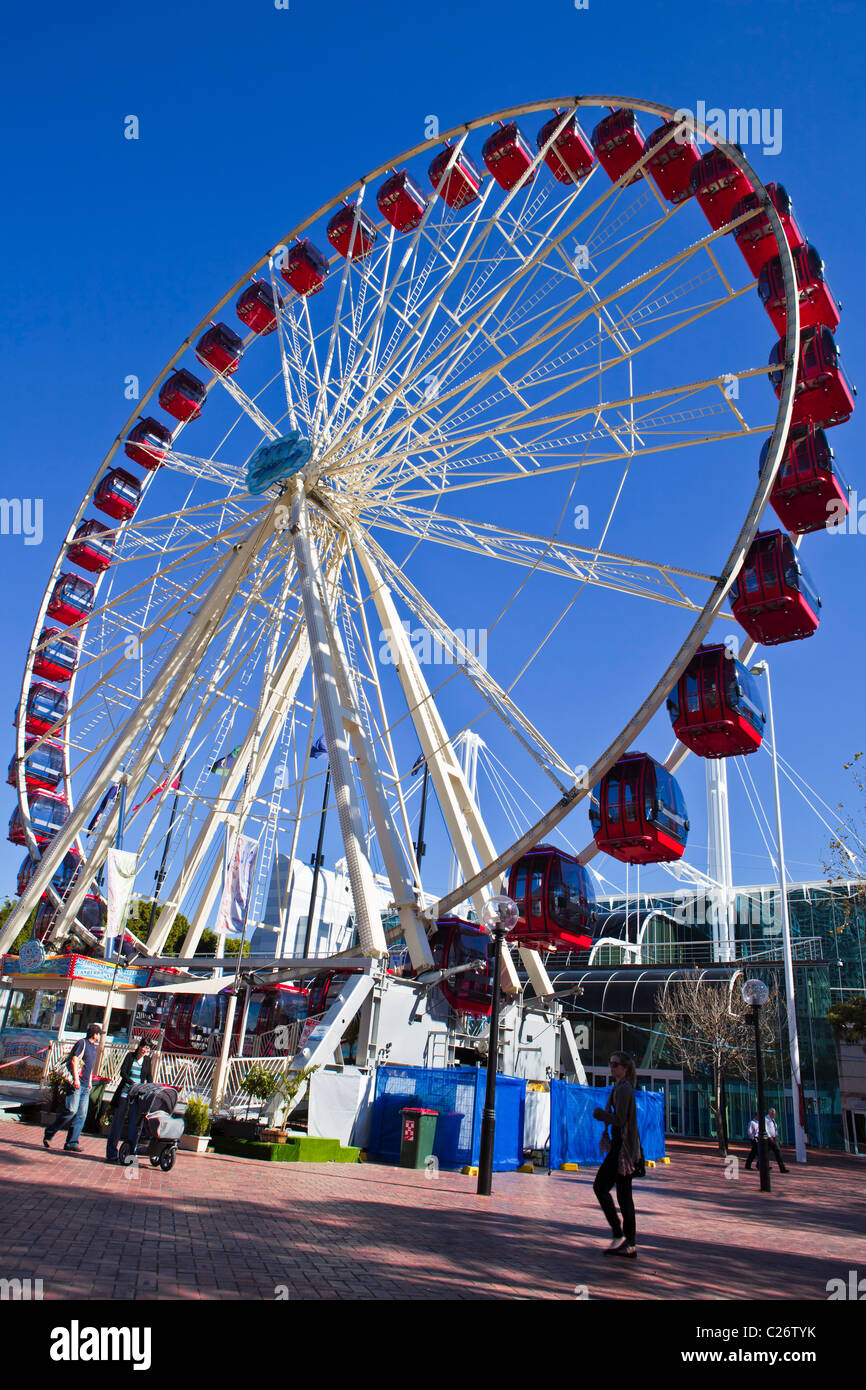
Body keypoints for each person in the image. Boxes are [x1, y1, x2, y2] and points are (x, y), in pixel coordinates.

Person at [592, 1051, 643, 1259]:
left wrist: (600, 1114)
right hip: (623, 1147)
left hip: (622, 1149)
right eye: (610, 1064)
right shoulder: (621, 1087)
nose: (611, 1068)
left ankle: (621, 1234)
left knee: (601, 1187)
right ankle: (628, 1241)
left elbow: (621, 1120)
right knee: (624, 1195)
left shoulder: (623, 1089)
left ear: (625, 1067)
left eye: (615, 1065)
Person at [43, 1024, 102, 1153]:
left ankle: (72, 1142)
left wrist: (90, 1080)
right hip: (76, 1083)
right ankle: (49, 1132)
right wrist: (76, 1079)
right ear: (94, 1034)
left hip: (86, 1085)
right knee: (71, 1111)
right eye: (99, 1034)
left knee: (81, 1115)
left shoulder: (93, 1048)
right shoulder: (82, 1043)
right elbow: (74, 1061)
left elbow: (88, 1066)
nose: (100, 1037)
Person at [105, 1038, 154, 1164]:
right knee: (118, 1121)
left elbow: (149, 1077)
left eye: (147, 1048)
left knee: (135, 1123)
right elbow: (123, 1072)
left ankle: (131, 1152)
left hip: (138, 1094)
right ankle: (111, 1152)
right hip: (126, 1091)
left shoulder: (148, 1060)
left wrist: (149, 1089)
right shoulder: (130, 1056)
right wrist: (132, 1083)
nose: (145, 1050)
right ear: (139, 1046)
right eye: (143, 1047)